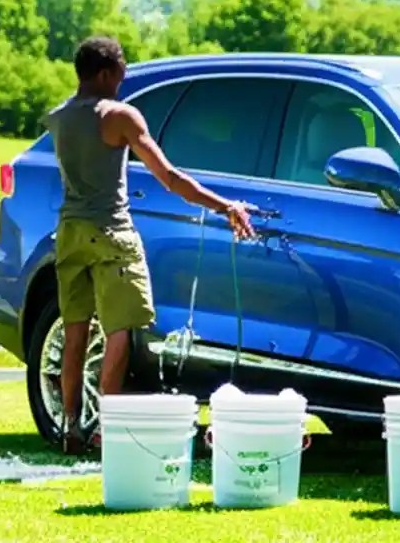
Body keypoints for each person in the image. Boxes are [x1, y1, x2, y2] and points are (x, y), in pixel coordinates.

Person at [42, 36, 255, 455]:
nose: (124, 78)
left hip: (69, 232)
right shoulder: (119, 116)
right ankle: (106, 425)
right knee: (120, 326)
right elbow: (170, 177)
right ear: (105, 73)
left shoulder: (60, 118)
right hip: (111, 231)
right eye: (121, 69)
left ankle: (70, 426)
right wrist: (224, 205)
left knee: (76, 331)